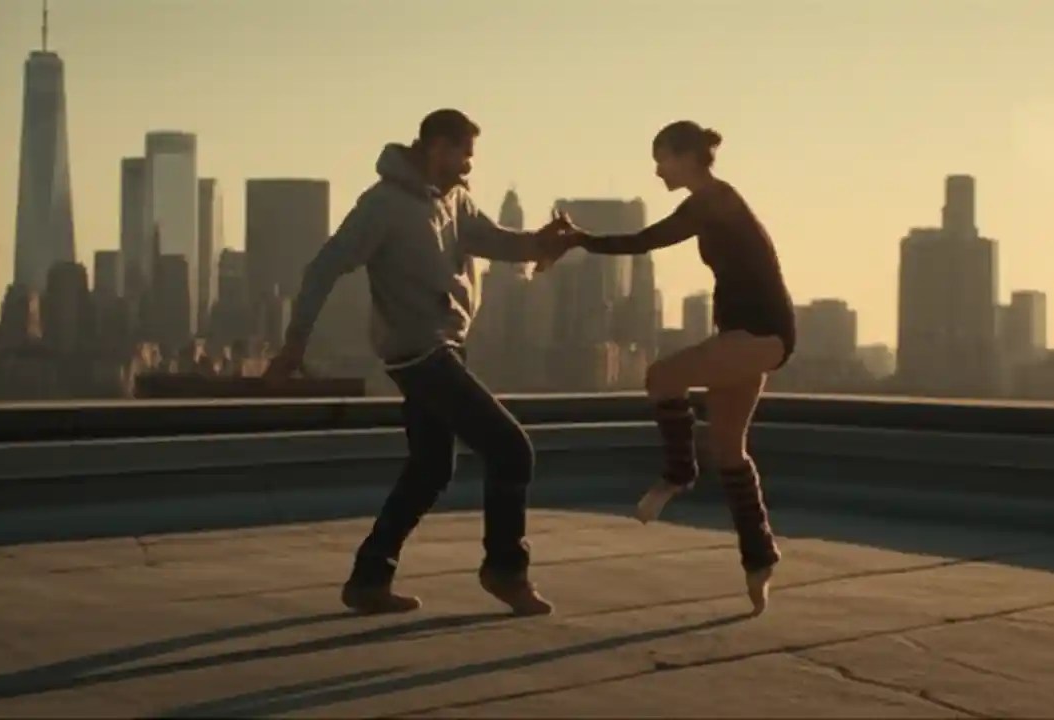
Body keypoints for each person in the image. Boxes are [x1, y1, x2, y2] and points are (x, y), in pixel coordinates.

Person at [264, 109, 572, 617]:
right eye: (463, 155)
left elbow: (495, 241)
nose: (469, 167)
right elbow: (323, 266)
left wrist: (543, 241)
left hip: (444, 347)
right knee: (512, 450)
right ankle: (504, 571)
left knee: (430, 469)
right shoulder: (382, 205)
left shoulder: (456, 201)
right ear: (435, 148)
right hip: (418, 352)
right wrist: (294, 345)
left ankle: (369, 579)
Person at [541, 121, 796, 616]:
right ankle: (759, 558)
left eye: (661, 159)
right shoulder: (712, 202)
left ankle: (678, 474)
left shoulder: (714, 200)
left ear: (685, 158)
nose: (656, 170)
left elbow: (644, 240)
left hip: (761, 334)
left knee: (661, 377)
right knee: (729, 449)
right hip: (747, 335)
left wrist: (578, 239)